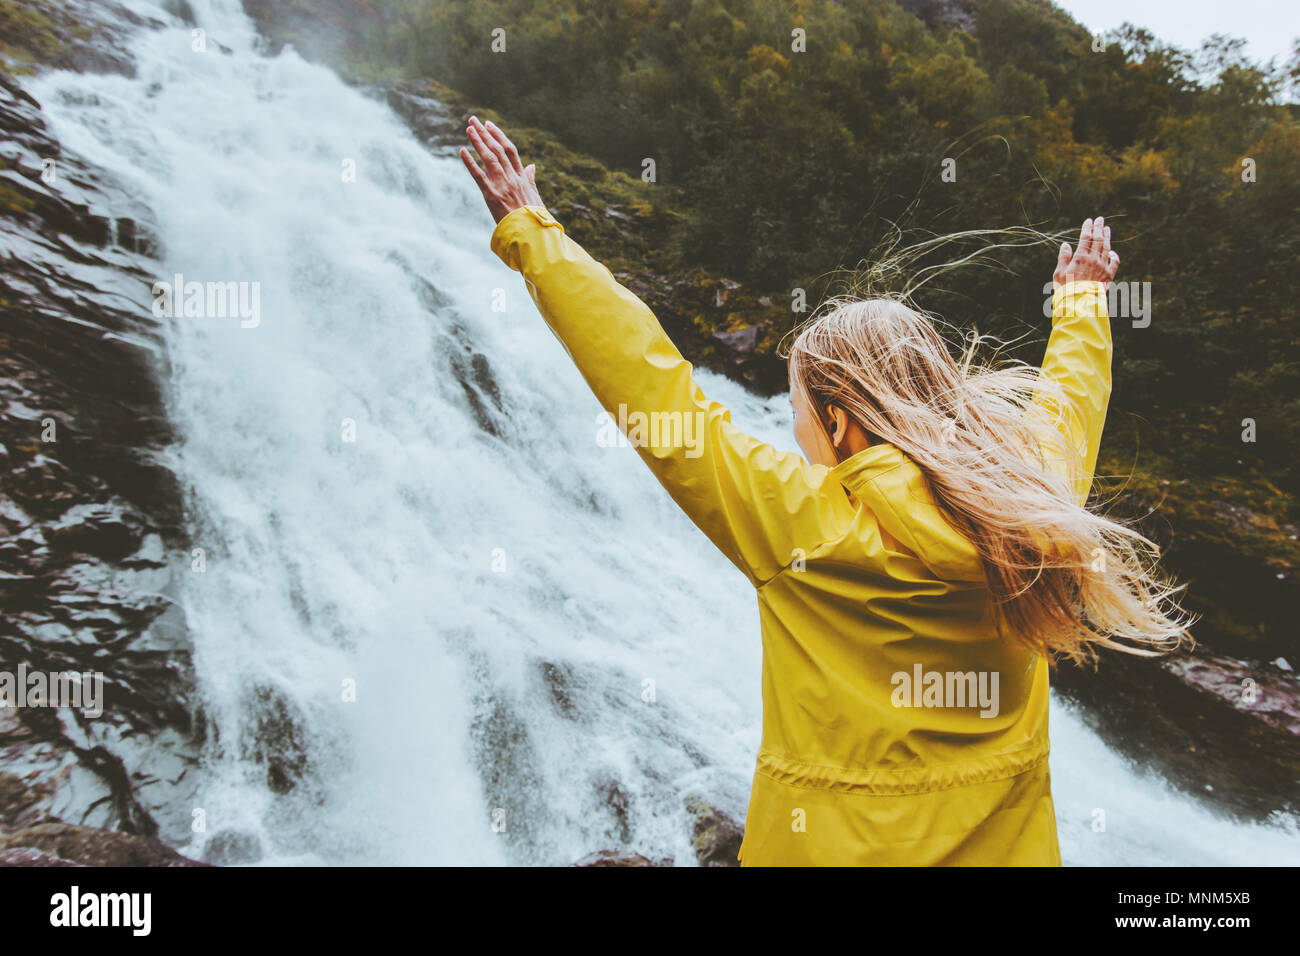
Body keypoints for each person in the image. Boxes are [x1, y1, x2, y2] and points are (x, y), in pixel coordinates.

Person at [461, 116, 1190, 865]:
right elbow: (1070, 402)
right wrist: (1080, 305)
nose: (794, 432)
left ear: (840, 421)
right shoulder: (1028, 499)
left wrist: (533, 231)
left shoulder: (801, 521)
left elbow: (651, 385)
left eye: (799, 411)